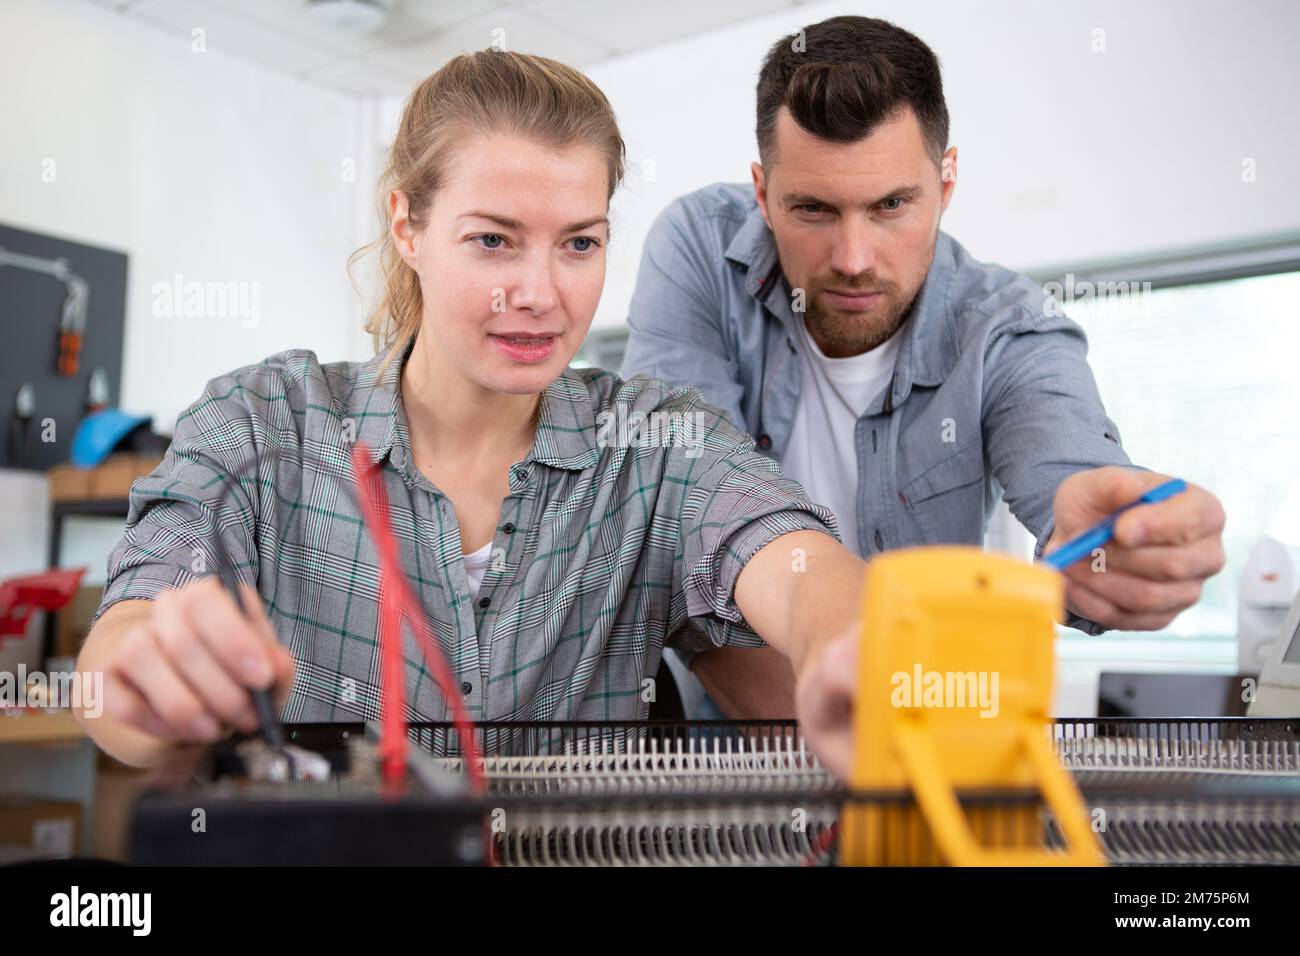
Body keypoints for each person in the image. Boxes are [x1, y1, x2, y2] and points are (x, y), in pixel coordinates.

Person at [73, 50, 868, 778]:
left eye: (580, 244)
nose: (540, 292)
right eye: (494, 240)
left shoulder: (655, 444)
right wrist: (153, 684)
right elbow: (124, 650)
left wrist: (853, 640)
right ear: (407, 226)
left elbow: (789, 558)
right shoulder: (262, 424)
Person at [621, 15, 1226, 719]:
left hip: (921, 732)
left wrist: (1106, 546)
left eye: (891, 206)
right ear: (762, 195)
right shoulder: (700, 249)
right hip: (728, 745)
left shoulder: (1007, 327)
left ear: (946, 181)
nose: (853, 258)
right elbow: (682, 501)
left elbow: (1070, 471)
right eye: (813, 209)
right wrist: (834, 733)